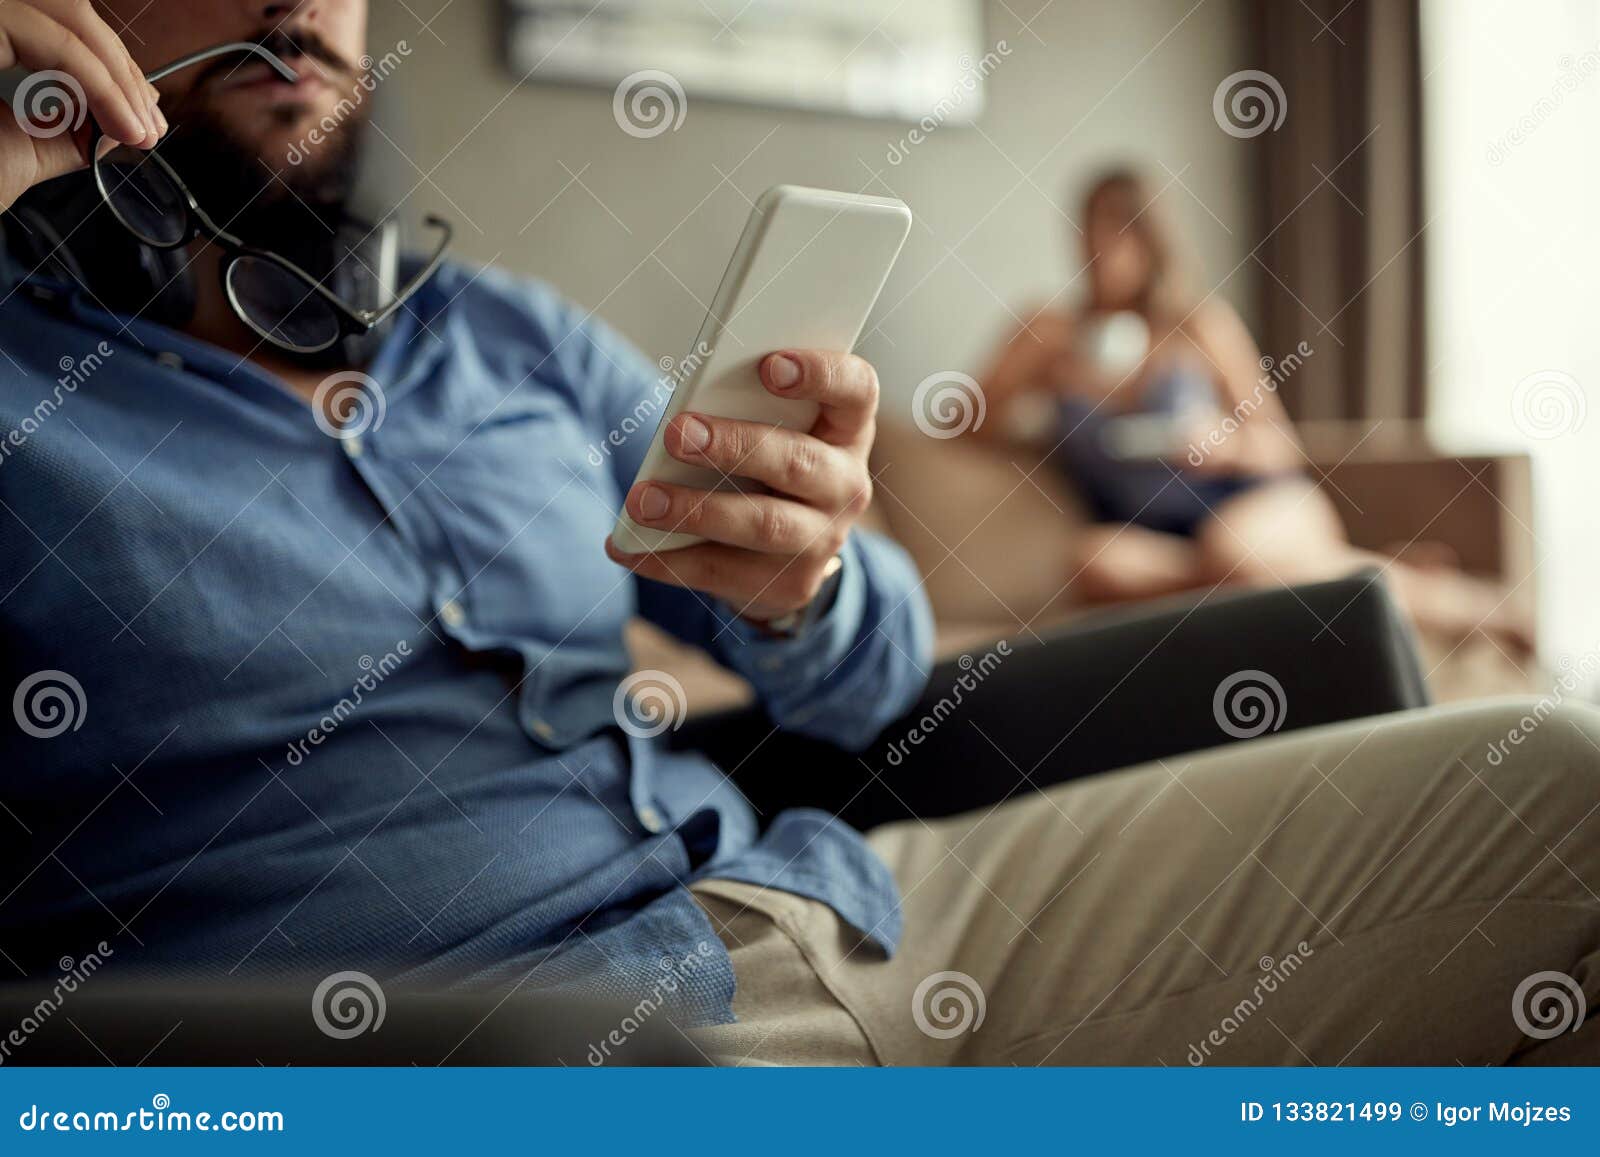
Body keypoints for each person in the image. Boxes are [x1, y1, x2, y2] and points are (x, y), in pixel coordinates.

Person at [0, 3, 1593, 1066]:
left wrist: (809, 586)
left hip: (838, 905)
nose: (293, 4)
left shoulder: (510, 336)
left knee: (1561, 784)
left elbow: (876, 669)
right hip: (496, 1048)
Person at [975, 168, 1529, 647]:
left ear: (1151, 240)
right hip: (1158, 541)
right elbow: (971, 423)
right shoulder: (1049, 335)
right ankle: (1353, 575)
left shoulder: (1199, 326)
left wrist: (1221, 443)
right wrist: (1031, 367)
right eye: (1092, 229)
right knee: (1095, 562)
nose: (1103, 248)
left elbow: (1282, 447)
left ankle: (1441, 598)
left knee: (1234, 553)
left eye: (1120, 230)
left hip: (1254, 504)